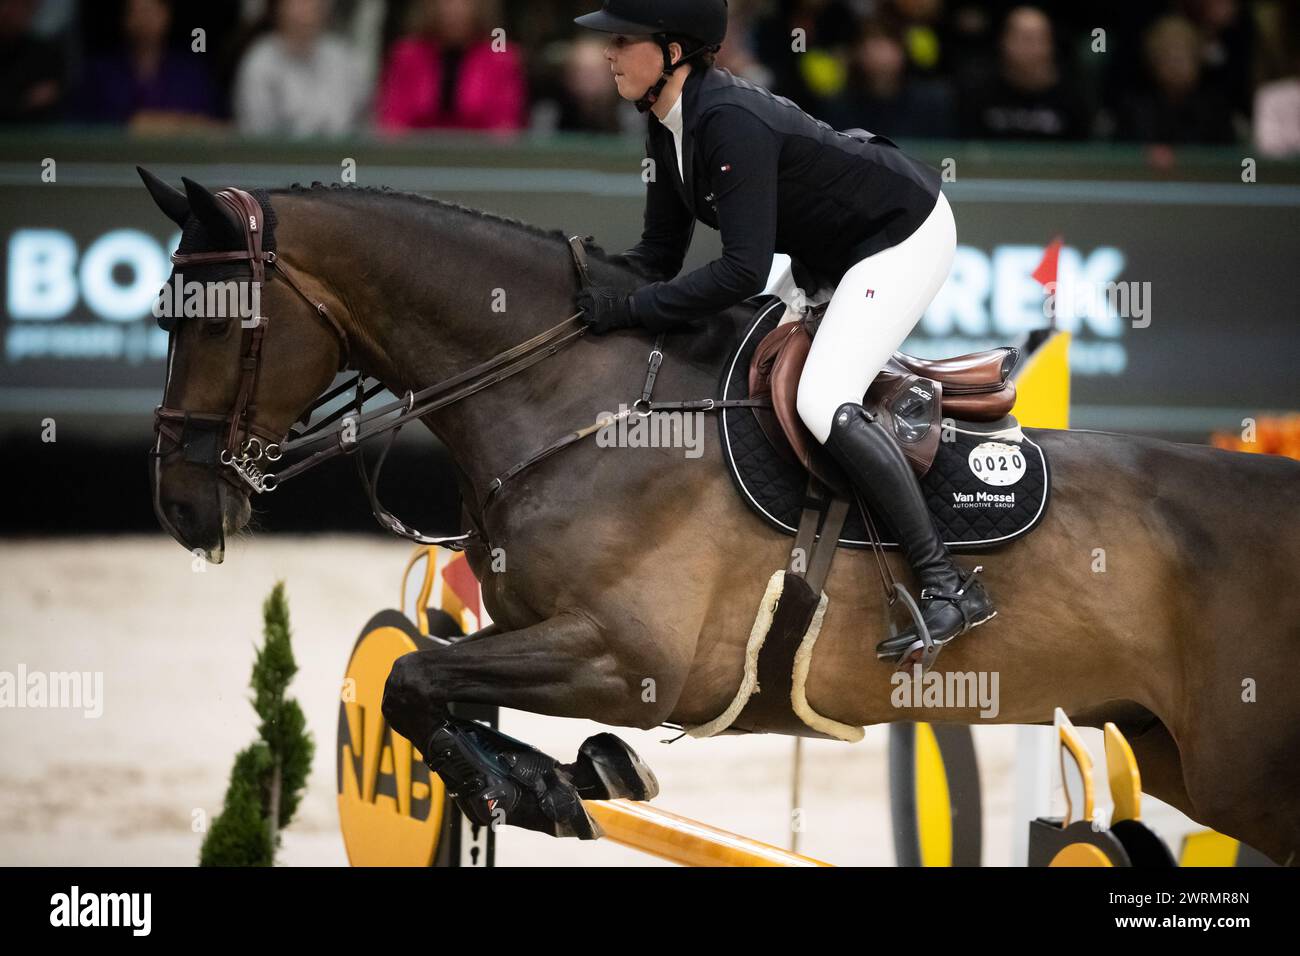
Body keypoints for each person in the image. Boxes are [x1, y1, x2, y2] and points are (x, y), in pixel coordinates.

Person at [571, 0, 994, 665]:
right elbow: (657, 256)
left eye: (623, 40)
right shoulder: (665, 119)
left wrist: (627, 311)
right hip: (829, 248)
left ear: (674, 52)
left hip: (900, 234)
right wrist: (582, 287)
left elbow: (741, 271)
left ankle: (947, 584)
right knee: (744, 360)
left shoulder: (727, 120)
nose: (607, 52)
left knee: (821, 400)